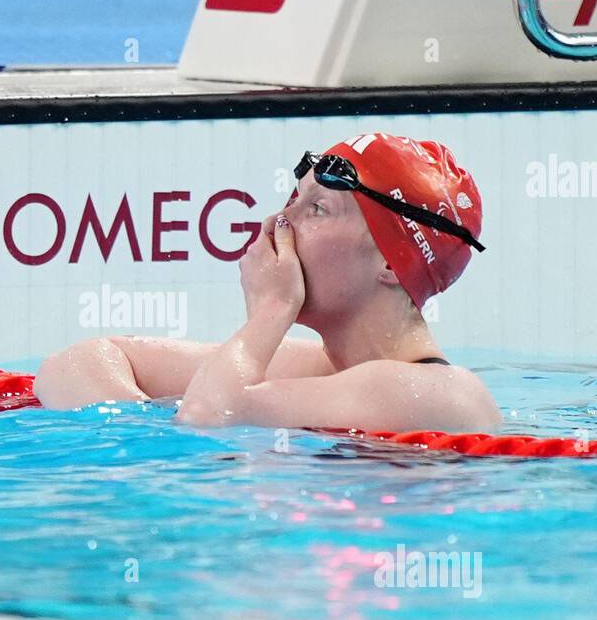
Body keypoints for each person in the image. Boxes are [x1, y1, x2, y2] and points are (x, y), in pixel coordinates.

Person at [34, 133, 503, 434]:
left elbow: (207, 420)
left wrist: (271, 310)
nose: (278, 221)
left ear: (388, 260)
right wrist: (143, 430)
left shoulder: (436, 394)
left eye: (317, 209)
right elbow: (77, 363)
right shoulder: (321, 370)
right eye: (293, 200)